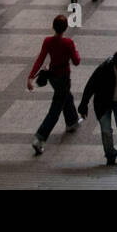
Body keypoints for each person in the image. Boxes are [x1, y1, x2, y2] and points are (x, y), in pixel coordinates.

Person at [27, 13, 81, 155]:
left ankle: (72, 121)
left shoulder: (48, 41)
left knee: (65, 96)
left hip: (52, 76)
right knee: (56, 108)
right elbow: (76, 61)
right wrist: (76, 52)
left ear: (53, 27)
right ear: (65, 28)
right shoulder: (68, 43)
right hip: (64, 75)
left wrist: (30, 77)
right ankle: (40, 138)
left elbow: (40, 59)